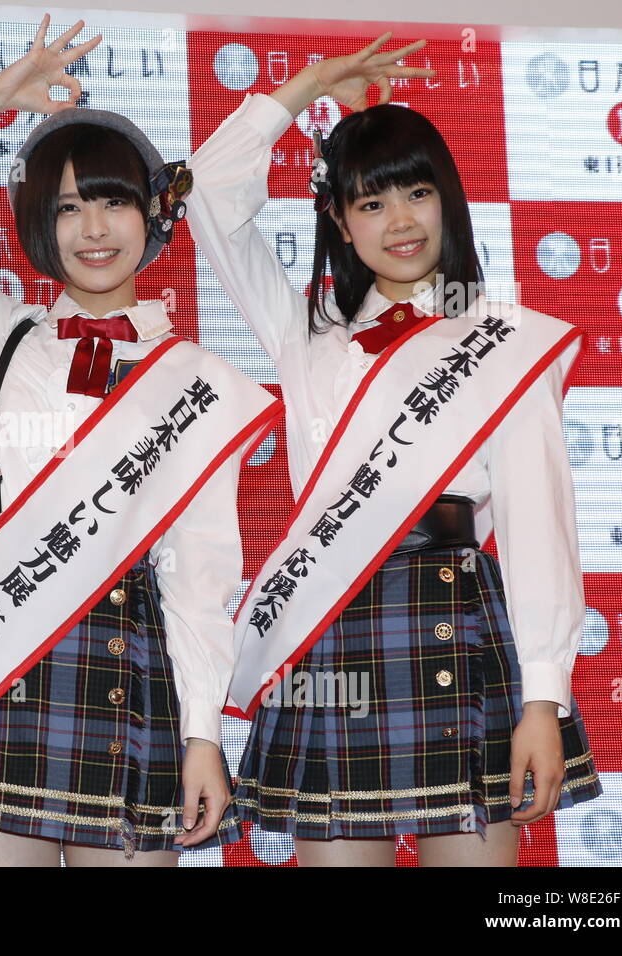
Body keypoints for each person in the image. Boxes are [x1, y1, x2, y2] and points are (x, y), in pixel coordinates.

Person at [0, 16, 278, 866]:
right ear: (39, 226)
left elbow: (199, 567)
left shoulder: (193, 373)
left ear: (154, 214)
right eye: (68, 205)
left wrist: (202, 732)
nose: (92, 227)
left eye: (114, 199)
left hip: (132, 658)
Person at [187, 33, 601, 866]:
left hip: (451, 623)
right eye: (371, 203)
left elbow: (536, 528)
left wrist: (543, 701)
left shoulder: (502, 341)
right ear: (338, 219)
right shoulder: (309, 334)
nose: (400, 221)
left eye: (416, 192)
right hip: (330, 628)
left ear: (448, 199)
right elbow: (208, 195)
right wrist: (305, 88)